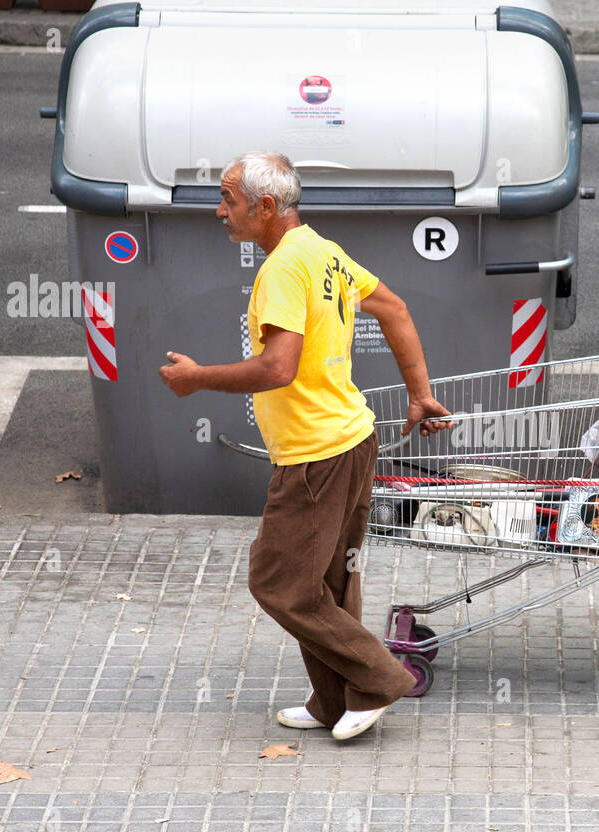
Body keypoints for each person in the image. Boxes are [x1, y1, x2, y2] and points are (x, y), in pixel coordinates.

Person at [159, 150, 452, 740]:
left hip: (316, 453)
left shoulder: (283, 270)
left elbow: (277, 368)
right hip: (351, 439)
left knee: (278, 582)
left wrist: (197, 379)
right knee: (330, 582)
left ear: (266, 207)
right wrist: (419, 395)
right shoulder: (320, 250)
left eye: (229, 201)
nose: (220, 211)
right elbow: (393, 308)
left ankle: (377, 679)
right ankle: (332, 701)